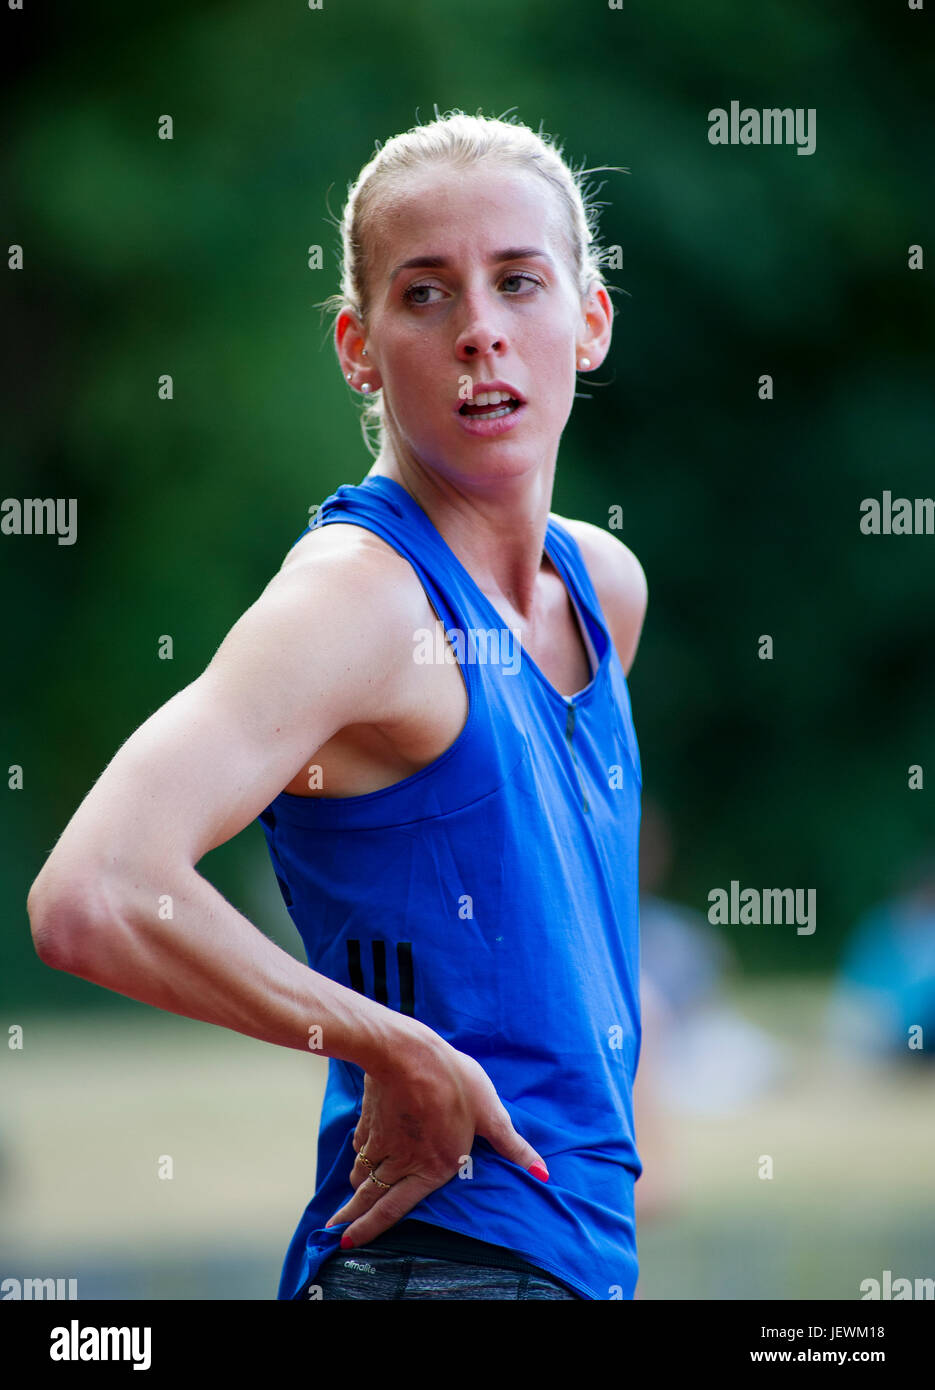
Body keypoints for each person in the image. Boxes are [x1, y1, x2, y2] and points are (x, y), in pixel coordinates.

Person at [26, 109, 649, 1301]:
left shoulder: (599, 589)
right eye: (425, 296)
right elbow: (93, 894)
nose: (480, 333)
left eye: (518, 283)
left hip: (571, 1262)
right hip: (435, 1264)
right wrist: (386, 1042)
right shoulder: (356, 601)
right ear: (357, 348)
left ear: (588, 319)